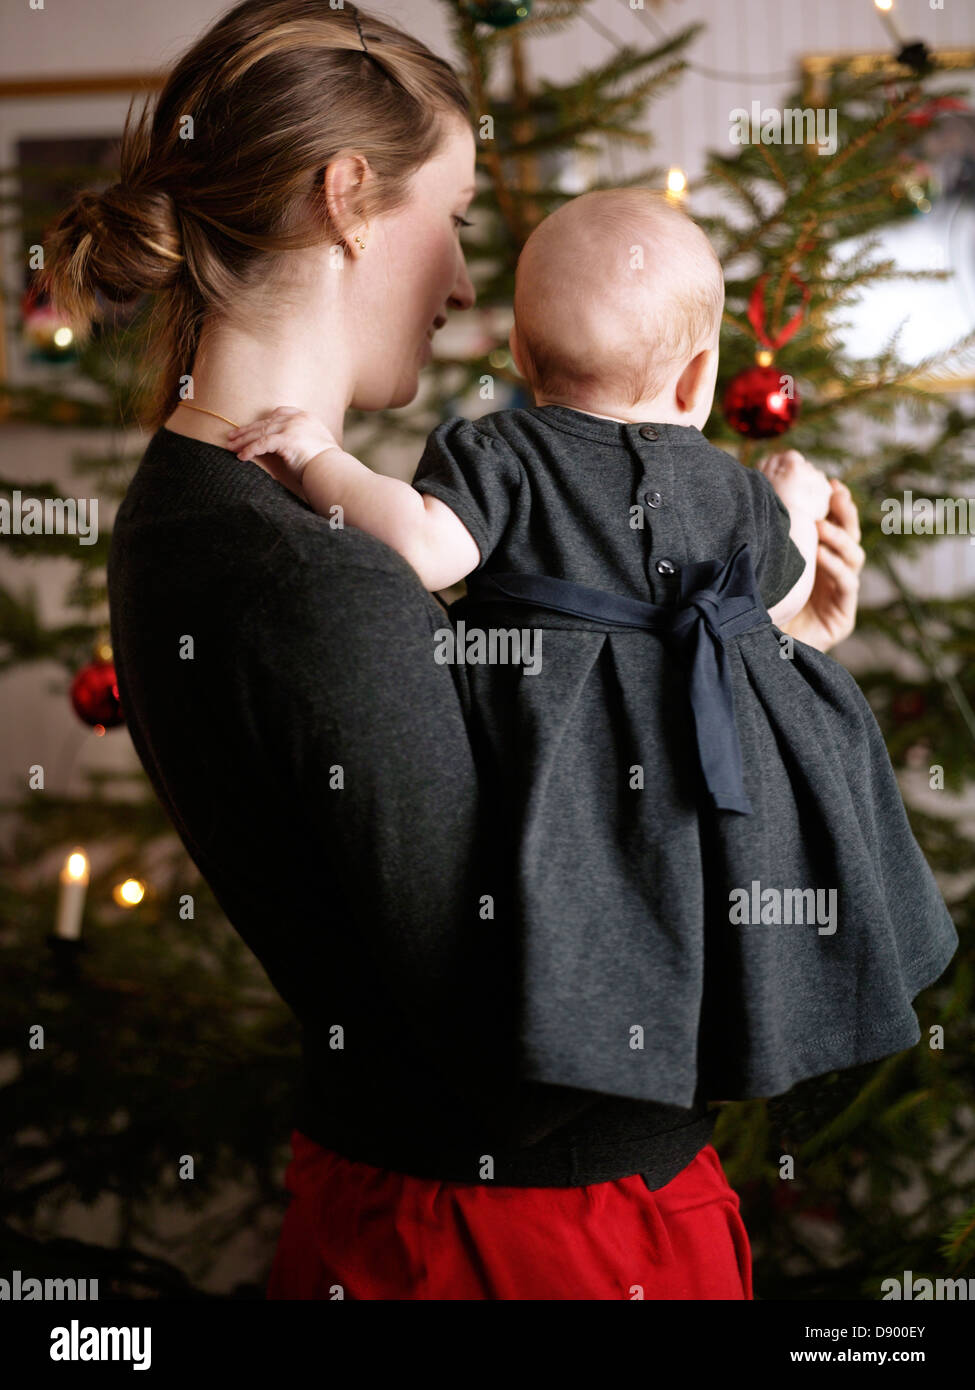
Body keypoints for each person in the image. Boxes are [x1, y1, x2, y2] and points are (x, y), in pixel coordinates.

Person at [40, 1, 878, 1300]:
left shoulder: (209, 508)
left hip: (460, 1211)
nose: (466, 285)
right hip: (523, 1242)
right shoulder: (311, 576)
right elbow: (513, 1021)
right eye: (454, 218)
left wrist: (760, 651)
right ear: (348, 200)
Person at [226, 187, 957, 1114]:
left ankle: (568, 1058)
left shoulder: (503, 451)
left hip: (557, 744)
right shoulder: (732, 489)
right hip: (706, 751)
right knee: (718, 885)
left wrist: (315, 456)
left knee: (580, 893)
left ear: (523, 356)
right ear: (698, 381)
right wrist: (797, 500)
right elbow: (776, 591)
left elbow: (421, 545)